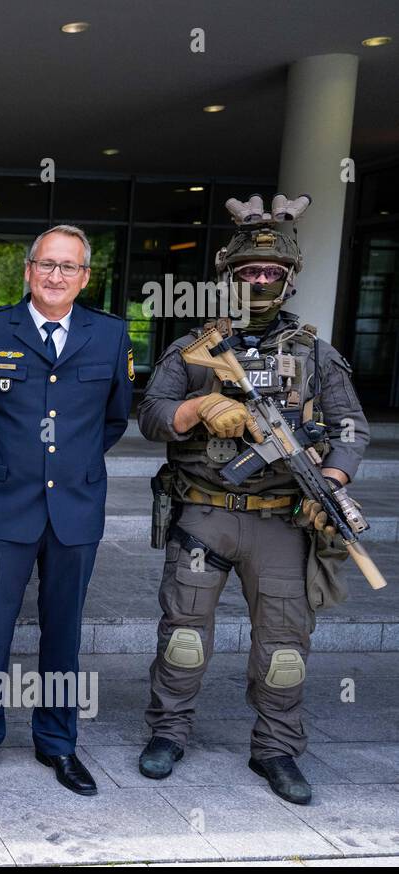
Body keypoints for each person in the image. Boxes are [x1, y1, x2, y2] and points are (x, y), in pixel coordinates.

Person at [137, 195, 369, 805]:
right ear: (228, 278)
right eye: (248, 273)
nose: (260, 281)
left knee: (285, 647)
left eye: (271, 273)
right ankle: (167, 733)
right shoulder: (195, 348)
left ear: (288, 279)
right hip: (205, 514)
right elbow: (152, 416)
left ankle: (277, 748)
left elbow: (350, 428)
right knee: (184, 637)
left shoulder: (316, 354)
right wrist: (197, 407)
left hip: (282, 523)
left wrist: (334, 484)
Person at [0, 224, 132, 796]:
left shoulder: (110, 336)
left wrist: (67, 469)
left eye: (68, 267)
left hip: (75, 508)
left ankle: (58, 743)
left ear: (84, 277)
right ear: (28, 270)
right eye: (46, 265)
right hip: (6, 506)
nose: (56, 276)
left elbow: (113, 420)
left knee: (64, 632)